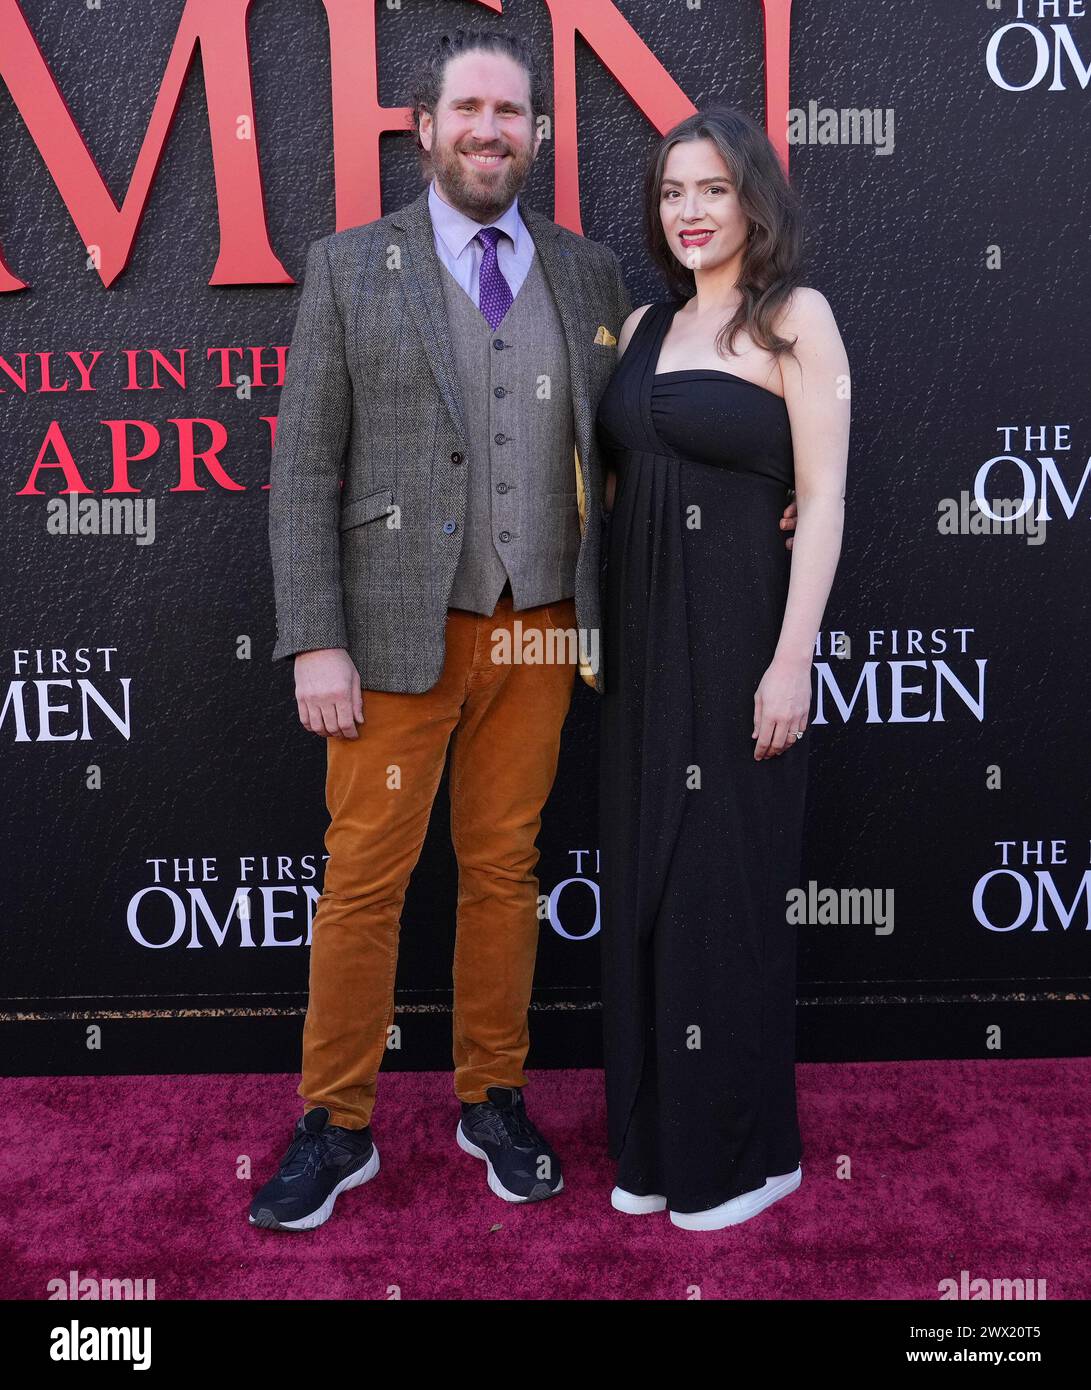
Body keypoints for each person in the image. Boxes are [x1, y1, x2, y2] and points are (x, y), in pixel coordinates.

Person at [256, 23, 798, 1231]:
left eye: (510, 116)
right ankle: (336, 1121)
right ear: (423, 127)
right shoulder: (349, 267)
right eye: (468, 113)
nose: (489, 132)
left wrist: (779, 480)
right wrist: (315, 637)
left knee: (506, 872)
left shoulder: (589, 270)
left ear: (538, 137)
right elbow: (302, 471)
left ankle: (490, 1094)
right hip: (392, 633)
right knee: (363, 882)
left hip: (543, 629)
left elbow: (643, 431)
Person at [596, 106, 849, 1230]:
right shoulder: (640, 325)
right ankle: (653, 1148)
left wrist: (790, 660)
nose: (688, 211)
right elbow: (608, 478)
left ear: (752, 199)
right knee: (647, 896)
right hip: (643, 656)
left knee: (721, 899)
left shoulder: (797, 317)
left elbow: (827, 499)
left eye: (709, 189)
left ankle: (746, 1156)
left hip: (743, 642)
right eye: (669, 193)